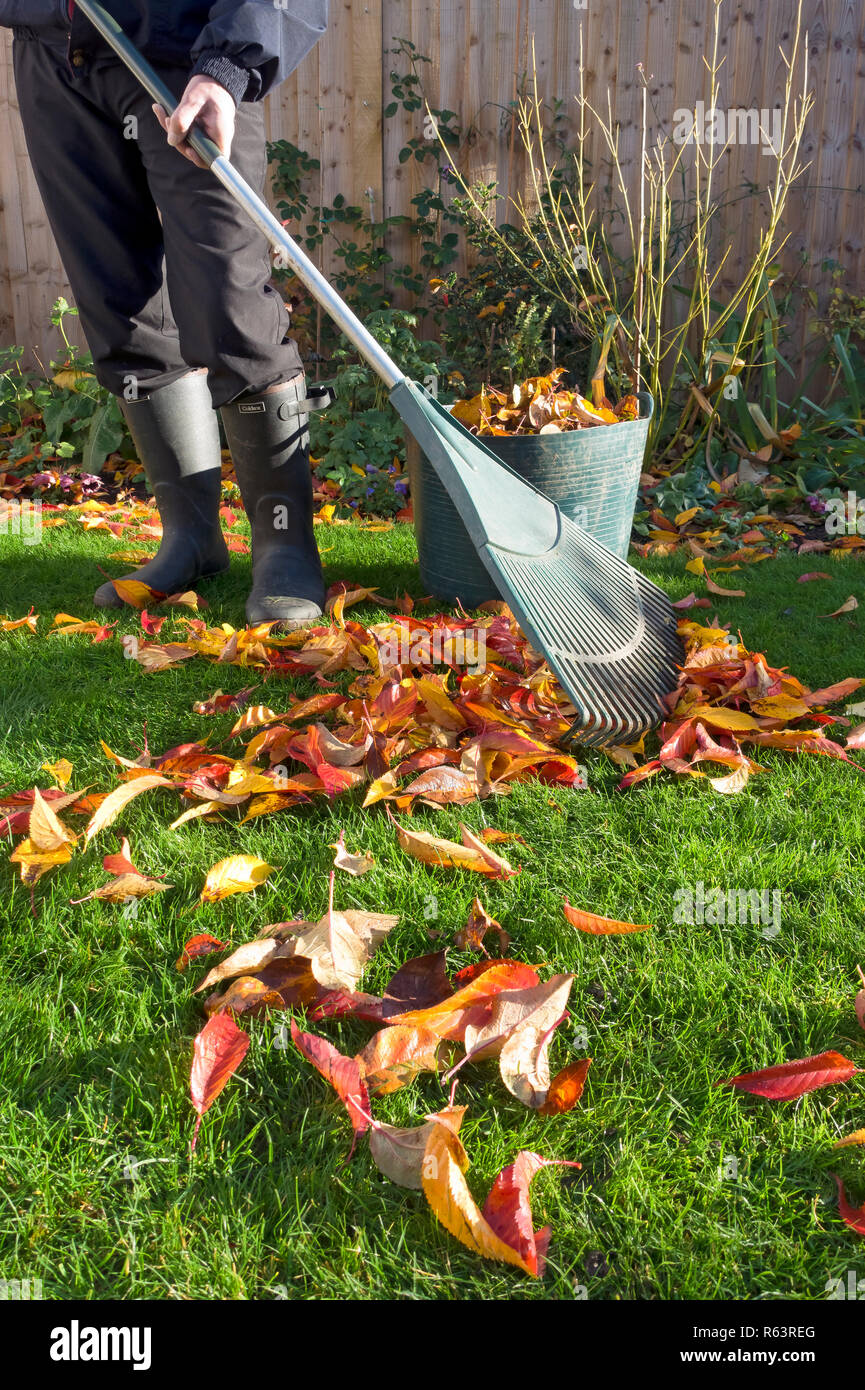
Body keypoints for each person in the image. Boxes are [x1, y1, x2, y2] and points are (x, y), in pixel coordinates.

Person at [1, 0, 329, 627]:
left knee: (228, 304)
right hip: (54, 52)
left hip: (181, 53)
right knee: (117, 303)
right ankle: (191, 538)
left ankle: (285, 546)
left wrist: (227, 67)